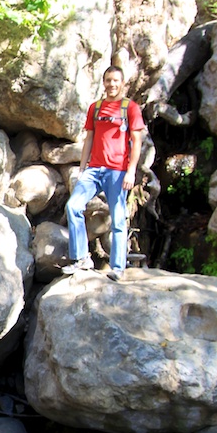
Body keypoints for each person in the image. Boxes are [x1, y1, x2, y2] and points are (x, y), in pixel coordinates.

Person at [63, 65, 145, 281]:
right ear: (104, 82)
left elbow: (137, 141)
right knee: (73, 206)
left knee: (118, 219)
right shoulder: (96, 108)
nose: (112, 84)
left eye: (116, 80)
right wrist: (82, 168)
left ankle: (118, 268)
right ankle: (81, 258)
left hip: (117, 171)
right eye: (108, 80)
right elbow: (89, 137)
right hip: (94, 169)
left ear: (122, 83)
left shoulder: (131, 108)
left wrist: (131, 171)